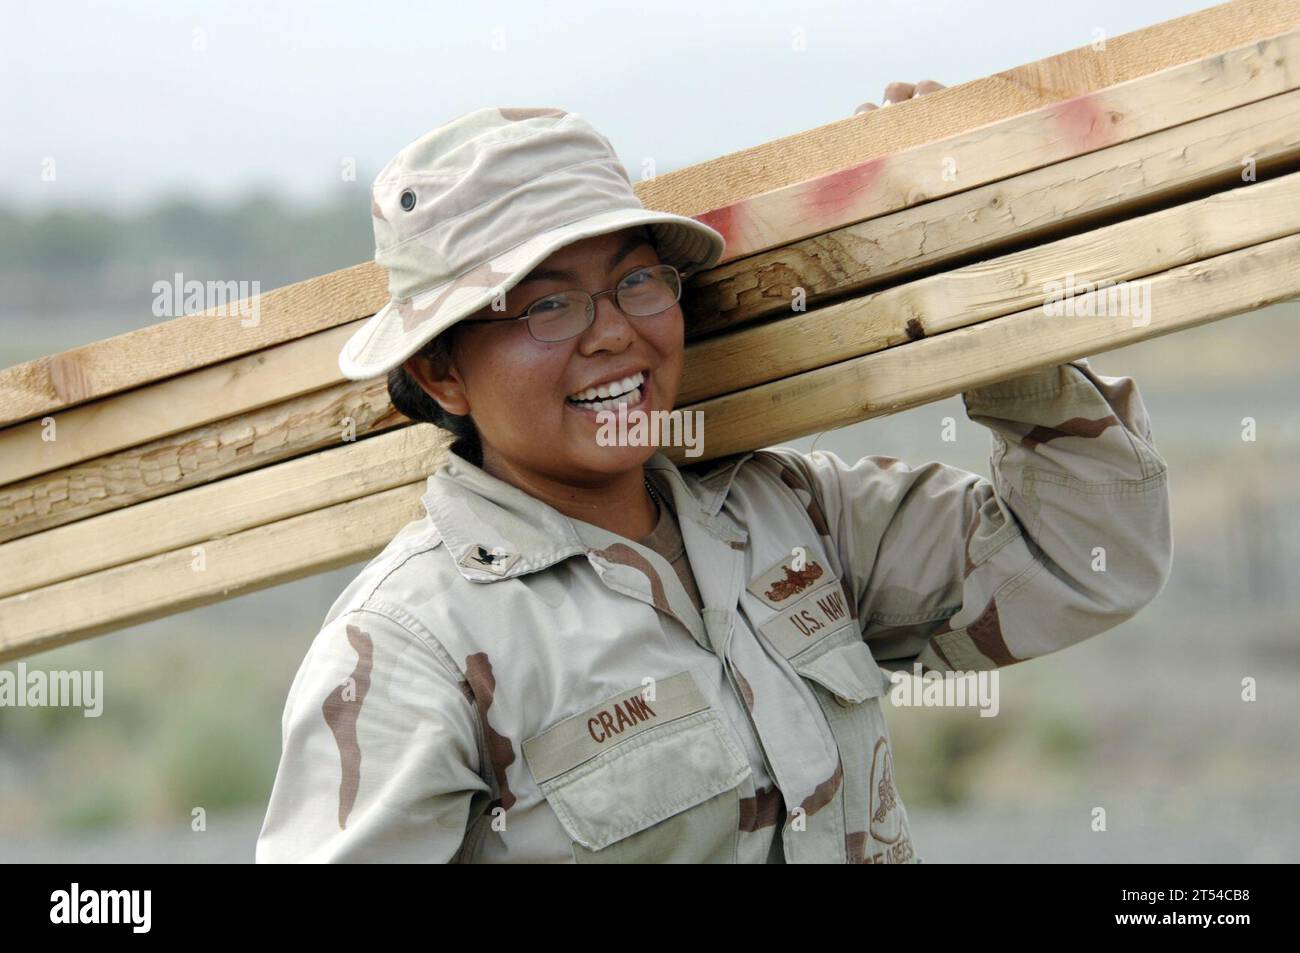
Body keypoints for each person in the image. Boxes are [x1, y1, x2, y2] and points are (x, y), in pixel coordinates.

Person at [255, 96, 1172, 863]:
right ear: (442, 374)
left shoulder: (789, 518)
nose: (612, 332)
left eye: (637, 282)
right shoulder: (412, 650)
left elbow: (1091, 558)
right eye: (545, 304)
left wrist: (978, 286)